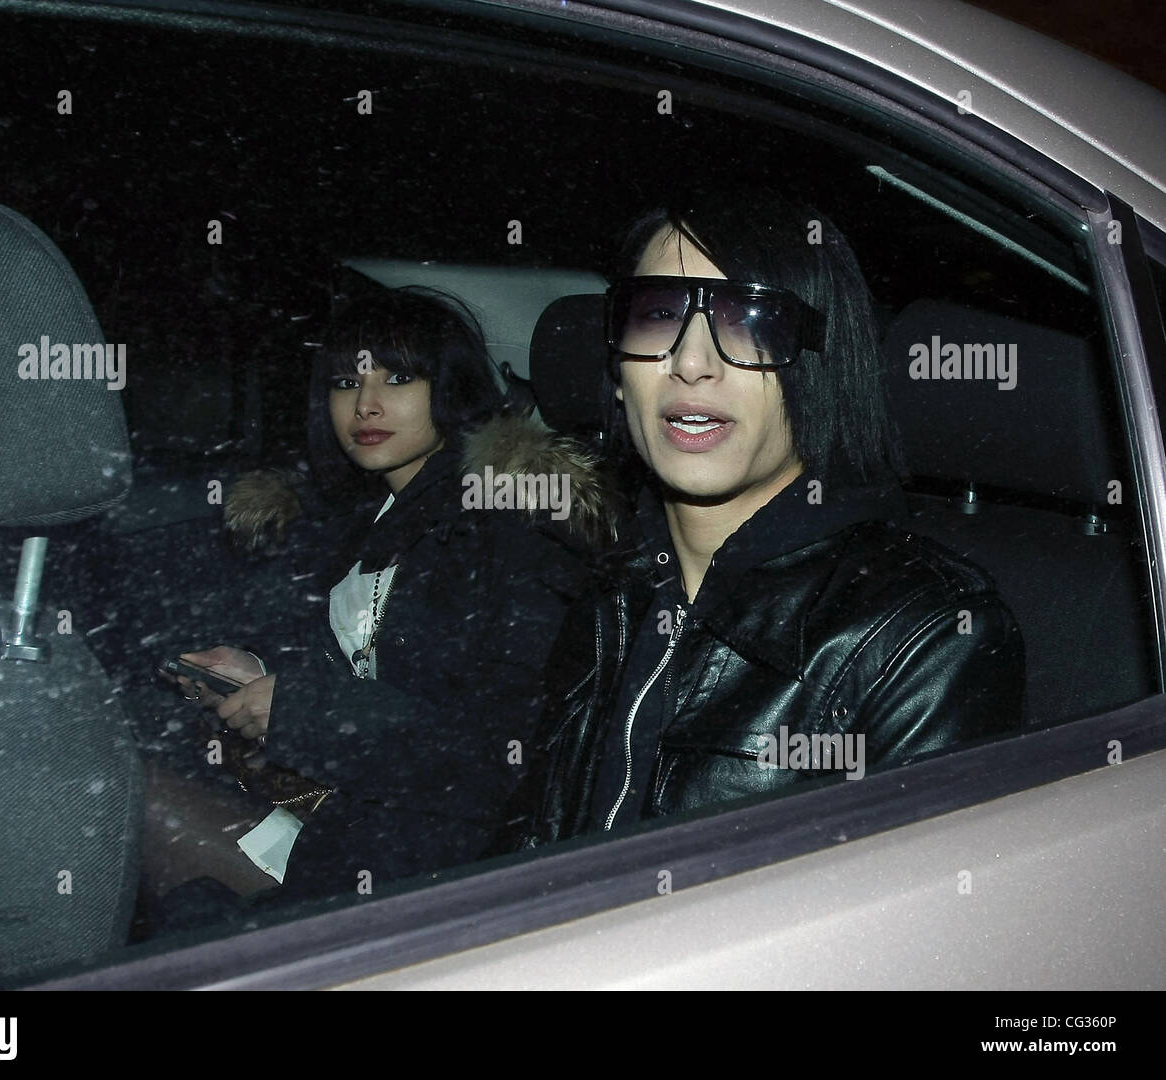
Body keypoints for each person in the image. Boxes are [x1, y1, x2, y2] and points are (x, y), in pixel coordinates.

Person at [512, 192, 1027, 846]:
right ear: (617, 374)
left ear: (820, 368)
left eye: (747, 319)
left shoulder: (926, 637)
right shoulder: (609, 593)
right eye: (657, 315)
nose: (690, 362)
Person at [163, 282, 612, 904]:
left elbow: (503, 755)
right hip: (354, 814)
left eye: (398, 380)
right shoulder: (368, 517)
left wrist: (301, 712)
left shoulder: (507, 526)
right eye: (348, 382)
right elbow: (372, 673)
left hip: (441, 860)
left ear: (448, 390)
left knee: (126, 801)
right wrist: (259, 679)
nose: (366, 406)